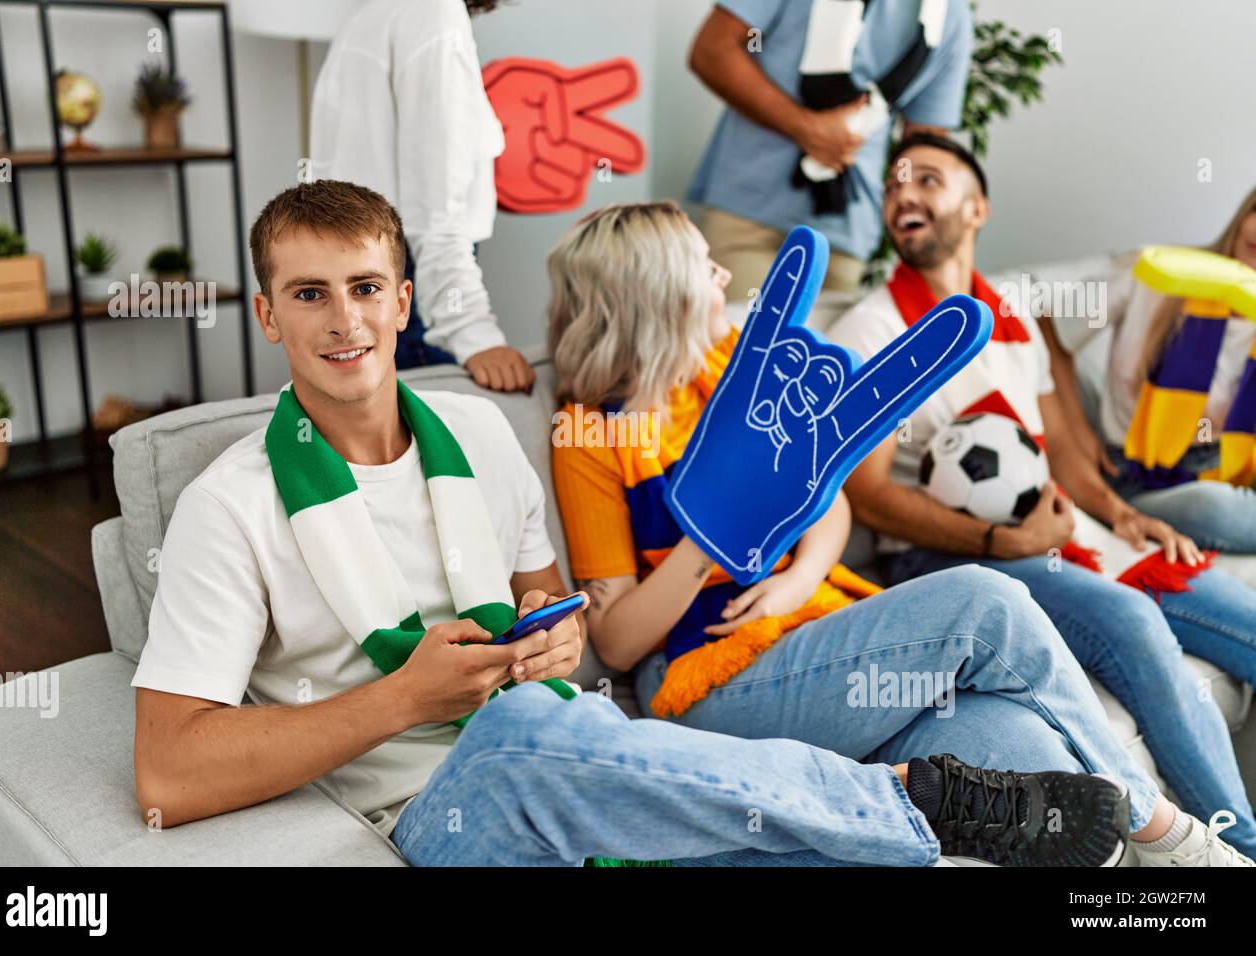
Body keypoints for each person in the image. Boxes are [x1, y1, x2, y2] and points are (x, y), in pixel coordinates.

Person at [127, 180, 1139, 868]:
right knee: (530, 724)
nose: (342, 321)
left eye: (362, 290)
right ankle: (913, 795)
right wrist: (402, 699)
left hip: (583, 748)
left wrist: (552, 638)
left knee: (1003, 738)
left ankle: (1164, 839)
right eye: (309, 294)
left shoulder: (479, 436)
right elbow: (167, 772)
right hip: (427, 806)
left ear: (402, 303)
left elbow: (556, 627)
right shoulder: (231, 505)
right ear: (267, 314)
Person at [546, 199, 1243, 867]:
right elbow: (615, 639)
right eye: (706, 266)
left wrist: (796, 578)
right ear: (656, 292)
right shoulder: (591, 436)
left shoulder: (736, 362)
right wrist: (710, 542)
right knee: (983, 601)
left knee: (1041, 771)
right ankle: (1167, 827)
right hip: (711, 688)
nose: (725, 277)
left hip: (823, 645)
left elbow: (831, 503)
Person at [828, 132, 1256, 861]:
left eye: (929, 180)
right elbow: (866, 497)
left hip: (1064, 533)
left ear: (977, 207)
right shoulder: (871, 330)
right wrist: (1004, 544)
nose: (906, 194)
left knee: (1232, 609)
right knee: (1128, 617)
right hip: (944, 561)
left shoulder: (1012, 319)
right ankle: (1235, 850)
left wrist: (1124, 517)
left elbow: (1062, 452)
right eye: (896, 184)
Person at [308, 0, 534, 390]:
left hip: (365, 277)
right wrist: (474, 335)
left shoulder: (371, 16)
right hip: (415, 296)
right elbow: (436, 214)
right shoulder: (434, 14)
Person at [686, 0, 973, 301]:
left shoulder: (950, 16)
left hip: (846, 235)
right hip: (748, 215)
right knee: (743, 342)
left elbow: (924, 146)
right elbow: (712, 52)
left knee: (827, 347)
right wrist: (805, 127)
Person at [1043, 185, 1256, 552]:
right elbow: (1052, 325)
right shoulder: (1156, 271)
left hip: (1225, 470)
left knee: (1222, 502)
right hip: (1132, 474)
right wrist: (1078, 430)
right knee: (1216, 511)